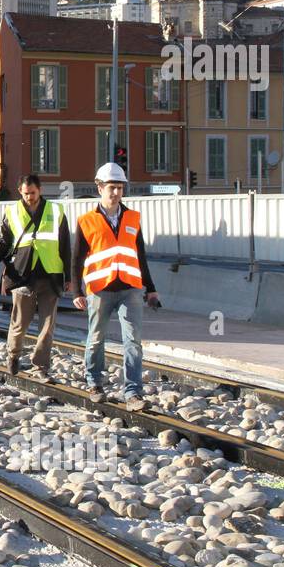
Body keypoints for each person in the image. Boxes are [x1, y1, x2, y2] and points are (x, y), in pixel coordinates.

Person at [71, 162, 161, 406]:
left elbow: (140, 255)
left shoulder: (133, 218)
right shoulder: (86, 221)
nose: (116, 193)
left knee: (133, 341)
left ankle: (133, 392)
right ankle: (95, 383)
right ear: (99, 187)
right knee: (96, 338)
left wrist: (150, 288)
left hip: (130, 288)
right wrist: (76, 290)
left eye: (120, 188)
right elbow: (77, 258)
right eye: (111, 187)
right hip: (100, 290)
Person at [0, 173, 71, 380]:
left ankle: (40, 366)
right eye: (25, 194)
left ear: (39, 190)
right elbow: (3, 241)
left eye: (32, 193)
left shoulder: (56, 211)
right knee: (19, 322)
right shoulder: (12, 211)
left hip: (50, 274)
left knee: (48, 325)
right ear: (20, 192)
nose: (29, 197)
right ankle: (13, 355)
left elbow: (65, 245)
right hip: (22, 274)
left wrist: (68, 276)